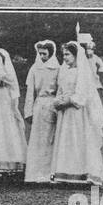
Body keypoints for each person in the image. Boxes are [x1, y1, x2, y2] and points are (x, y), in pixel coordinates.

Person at [50, 41, 103, 186]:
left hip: (78, 112)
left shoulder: (82, 72)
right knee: (67, 141)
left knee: (79, 141)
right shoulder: (64, 71)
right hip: (65, 113)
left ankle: (85, 173)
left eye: (67, 54)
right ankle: (66, 174)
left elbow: (83, 94)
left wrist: (69, 101)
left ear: (76, 55)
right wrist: (57, 101)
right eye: (63, 54)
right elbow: (60, 90)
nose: (64, 57)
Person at [0, 49, 27, 178]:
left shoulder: (7, 76)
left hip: (7, 110)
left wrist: (0, 69)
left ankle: (12, 165)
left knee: (8, 135)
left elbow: (13, 90)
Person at [23, 40, 60, 183]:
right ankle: (35, 174)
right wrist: (28, 111)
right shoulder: (34, 68)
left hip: (52, 105)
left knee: (50, 139)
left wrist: (58, 107)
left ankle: (50, 172)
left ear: (51, 53)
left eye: (45, 53)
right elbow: (30, 91)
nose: (43, 56)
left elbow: (60, 89)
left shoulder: (57, 68)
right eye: (40, 53)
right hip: (38, 105)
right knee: (38, 140)